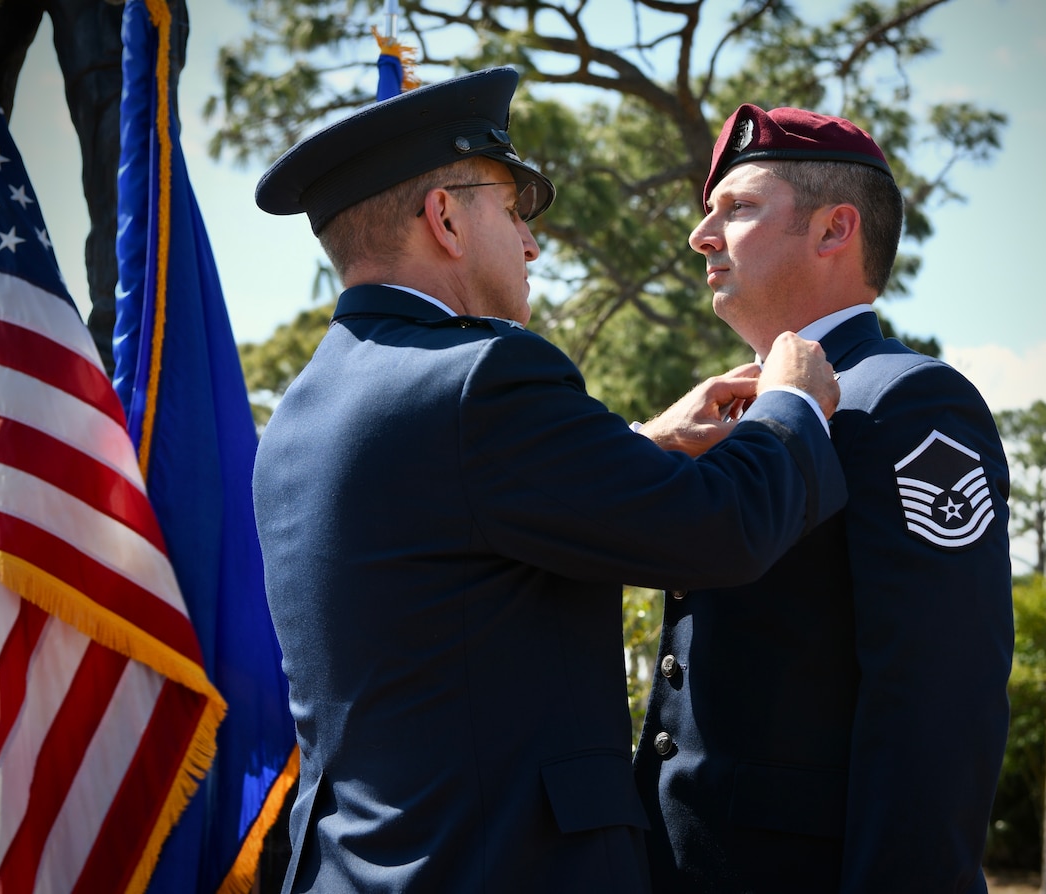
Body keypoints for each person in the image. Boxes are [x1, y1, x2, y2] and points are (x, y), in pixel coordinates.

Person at [251, 67, 848, 894]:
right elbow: (721, 529)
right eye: (513, 210)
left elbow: (454, 523)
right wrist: (791, 406)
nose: (532, 244)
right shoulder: (482, 377)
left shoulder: (303, 409)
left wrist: (638, 444)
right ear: (445, 218)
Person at [633, 105, 1015, 892]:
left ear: (835, 229)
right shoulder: (735, 409)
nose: (702, 236)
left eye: (737, 208)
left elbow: (936, 705)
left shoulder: (907, 401)